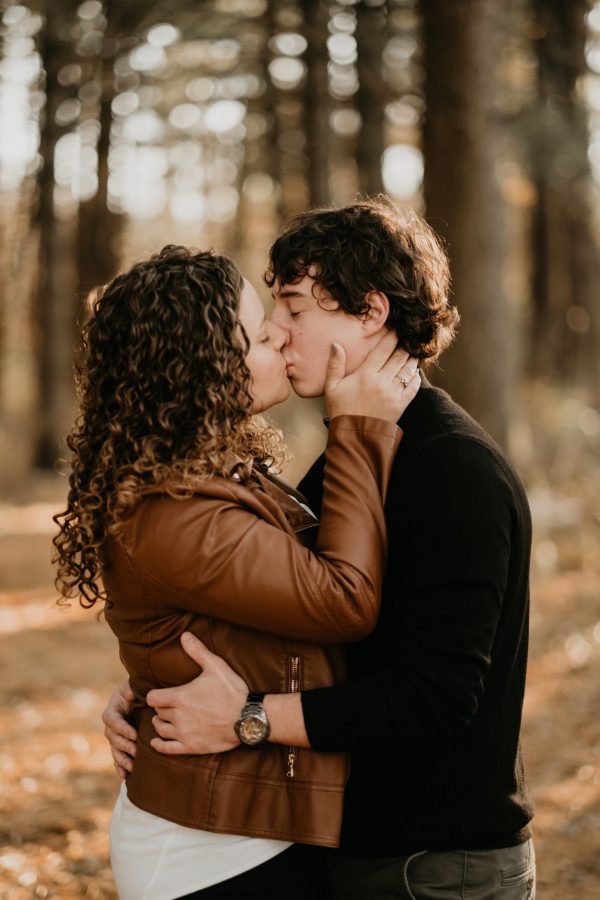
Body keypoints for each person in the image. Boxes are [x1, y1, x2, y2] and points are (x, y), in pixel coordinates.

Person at [104, 199, 536, 900]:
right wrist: (150, 689)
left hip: (434, 864)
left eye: (294, 308)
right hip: (354, 850)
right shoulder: (349, 454)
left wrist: (247, 718)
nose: (275, 332)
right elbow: (270, 613)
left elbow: (436, 698)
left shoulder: (454, 469)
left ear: (368, 313)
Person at [53, 243, 420, 899]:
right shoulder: (177, 514)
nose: (280, 334)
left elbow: (225, 620)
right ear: (203, 375)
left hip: (242, 825)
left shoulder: (211, 476)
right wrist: (359, 430)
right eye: (257, 333)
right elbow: (343, 599)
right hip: (206, 855)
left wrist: (145, 682)